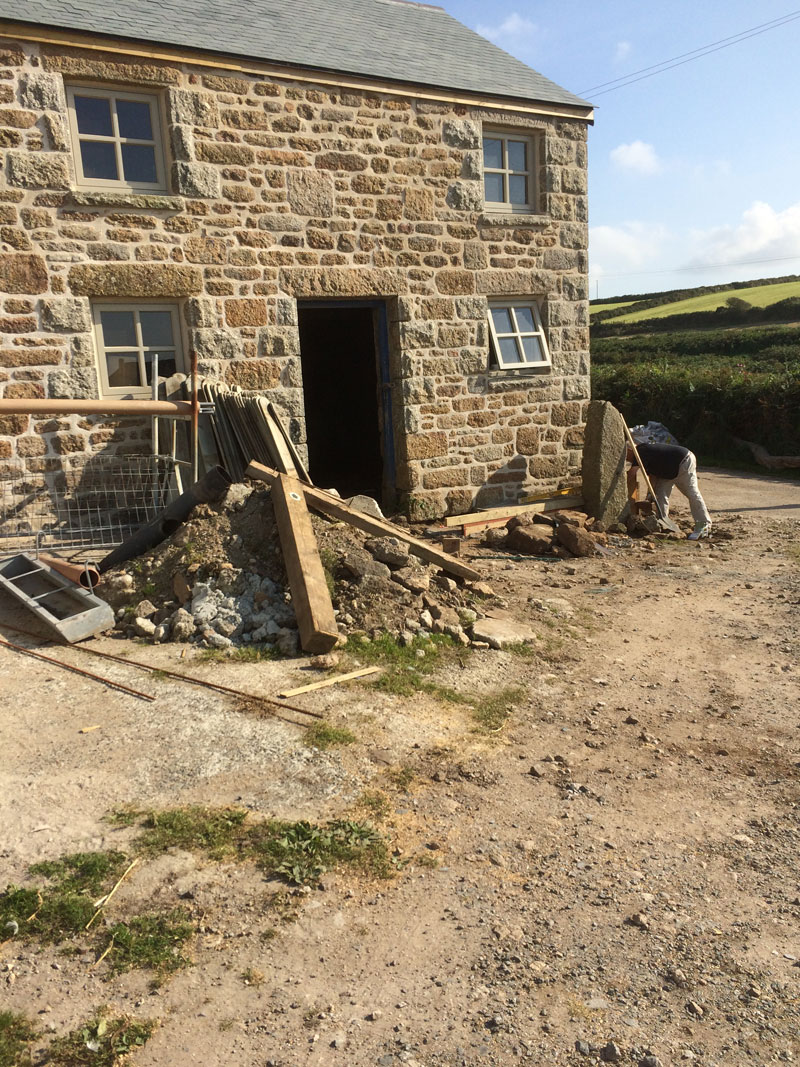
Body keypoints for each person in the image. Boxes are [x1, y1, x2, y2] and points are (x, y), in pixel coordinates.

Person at [627, 441, 712, 540]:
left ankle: (703, 524)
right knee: (660, 493)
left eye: (625, 456)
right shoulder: (645, 454)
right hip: (667, 471)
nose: (626, 459)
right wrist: (650, 495)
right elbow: (653, 476)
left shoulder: (640, 452)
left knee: (691, 493)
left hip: (683, 461)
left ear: (629, 450)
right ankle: (661, 521)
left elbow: (631, 474)